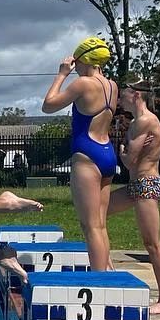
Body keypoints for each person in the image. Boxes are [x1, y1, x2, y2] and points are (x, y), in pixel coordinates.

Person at [43, 37, 118, 270]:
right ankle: (106, 272)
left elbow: (48, 105)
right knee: (101, 225)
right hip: (107, 154)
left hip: (87, 156)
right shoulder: (112, 86)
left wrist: (62, 74)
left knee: (91, 226)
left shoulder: (84, 84)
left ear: (84, 60)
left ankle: (99, 283)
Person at [109, 84, 160, 314]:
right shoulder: (137, 122)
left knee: (152, 244)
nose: (119, 101)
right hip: (135, 185)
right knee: (97, 212)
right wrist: (127, 149)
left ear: (136, 95)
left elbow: (128, 161)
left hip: (146, 185)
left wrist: (123, 148)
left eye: (123, 95)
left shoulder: (144, 121)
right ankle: (106, 269)